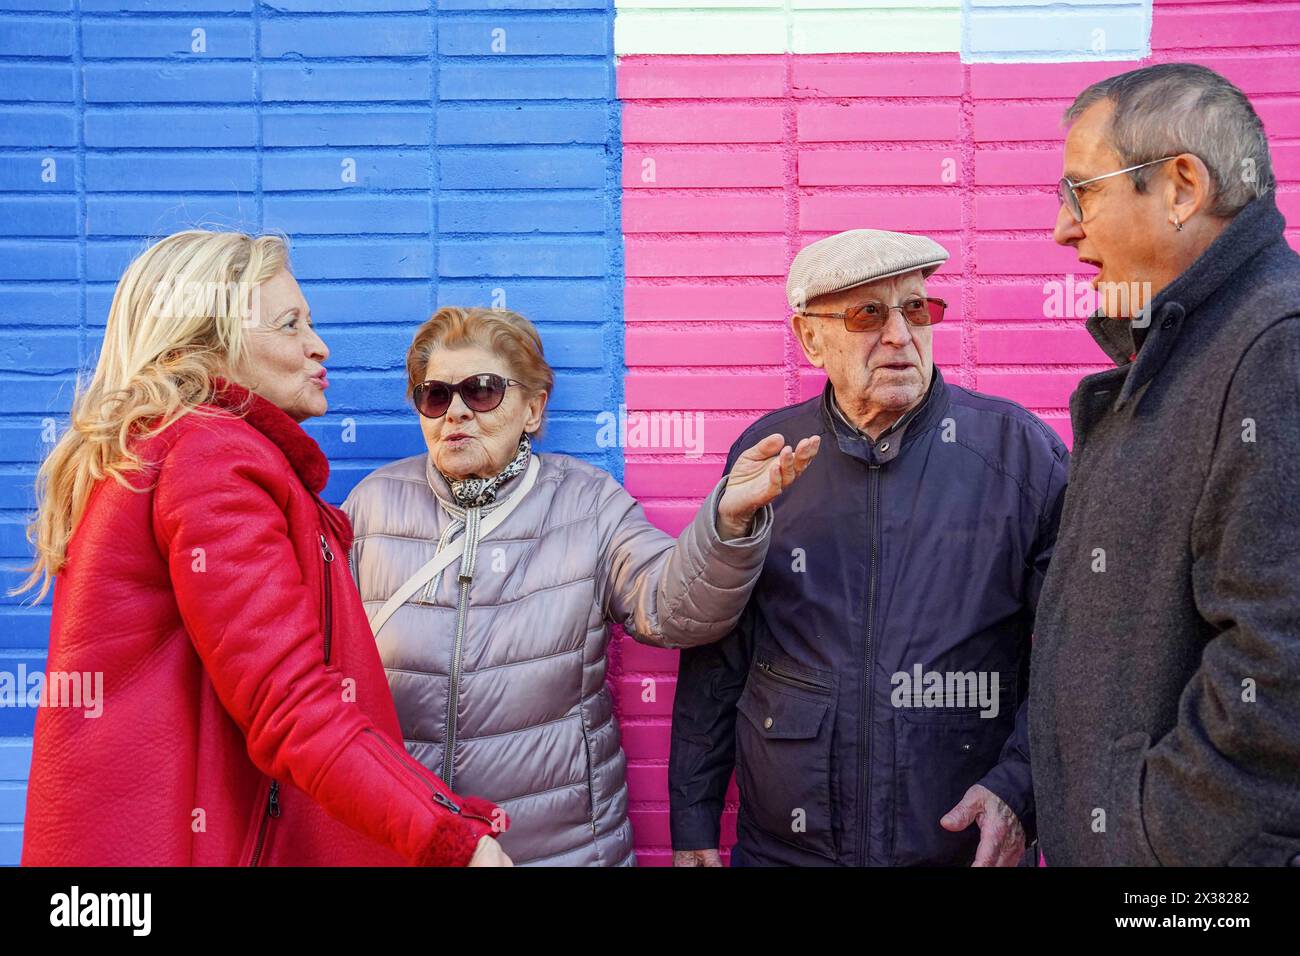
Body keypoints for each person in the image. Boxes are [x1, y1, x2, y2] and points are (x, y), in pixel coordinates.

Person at [17, 230, 510, 866]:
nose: (318, 345)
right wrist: (451, 837)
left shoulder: (161, 453)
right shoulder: (210, 458)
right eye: (288, 324)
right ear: (206, 344)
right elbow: (291, 702)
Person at [341, 305, 818, 866]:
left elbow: (676, 610)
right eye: (435, 395)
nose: (457, 413)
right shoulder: (372, 506)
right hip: (408, 846)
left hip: (563, 851)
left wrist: (728, 524)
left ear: (533, 408)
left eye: (483, 391)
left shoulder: (587, 503)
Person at [669, 228, 1069, 866]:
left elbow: (1073, 659)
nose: (900, 336)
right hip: (786, 852)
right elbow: (719, 656)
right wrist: (692, 823)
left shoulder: (1019, 457)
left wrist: (1018, 791)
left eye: (916, 309)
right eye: (867, 314)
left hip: (955, 846)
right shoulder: (768, 456)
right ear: (810, 337)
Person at [1031, 63, 1300, 866]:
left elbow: (1278, 664)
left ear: (1182, 185)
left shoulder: (1275, 347)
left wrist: (1160, 844)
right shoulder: (1185, 352)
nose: (1063, 230)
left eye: (1082, 192)